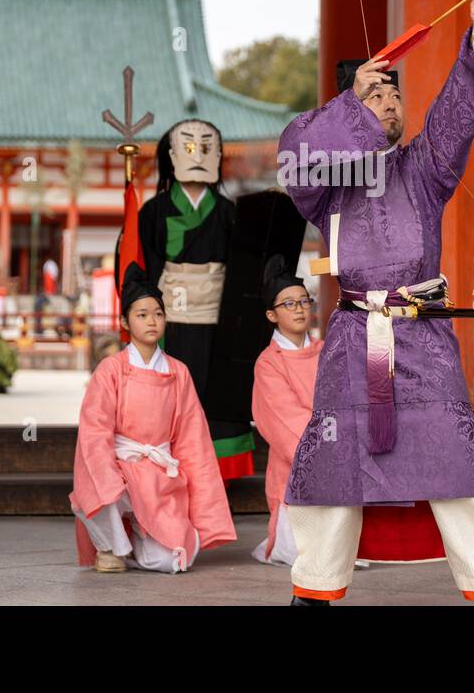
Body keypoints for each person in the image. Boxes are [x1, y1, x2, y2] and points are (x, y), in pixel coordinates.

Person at [276, 0, 474, 605]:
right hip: (356, 334)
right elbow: (295, 153)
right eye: (373, 96)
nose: (387, 104)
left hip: (420, 332)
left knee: (454, 455)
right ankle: (316, 586)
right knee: (334, 463)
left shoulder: (423, 169)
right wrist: (350, 103)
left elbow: (454, 116)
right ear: (346, 106)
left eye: (393, 95)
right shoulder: (321, 187)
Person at [70, 263, 236, 573]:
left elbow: (192, 439)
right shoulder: (111, 369)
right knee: (92, 491)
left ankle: (137, 544)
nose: (152, 321)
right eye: (142, 314)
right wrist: (107, 473)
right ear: (125, 321)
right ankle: (112, 548)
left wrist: (204, 505)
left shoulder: (177, 371)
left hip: (159, 473)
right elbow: (95, 431)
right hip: (120, 466)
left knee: (169, 561)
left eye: (158, 314)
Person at [138, 121, 254, 478]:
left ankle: (217, 471)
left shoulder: (230, 212)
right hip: (171, 319)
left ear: (219, 155)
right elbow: (137, 268)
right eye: (188, 147)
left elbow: (244, 274)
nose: (199, 155)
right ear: (171, 156)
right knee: (171, 396)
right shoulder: (153, 213)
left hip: (217, 321)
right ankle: (165, 466)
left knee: (216, 396)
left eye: (207, 147)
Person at [250, 256, 322, 566]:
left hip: (336, 451)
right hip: (295, 466)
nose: (299, 309)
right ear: (271, 314)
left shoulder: (327, 350)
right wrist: (324, 446)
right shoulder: (268, 362)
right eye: (289, 304)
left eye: (304, 301)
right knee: (305, 554)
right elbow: (282, 421)